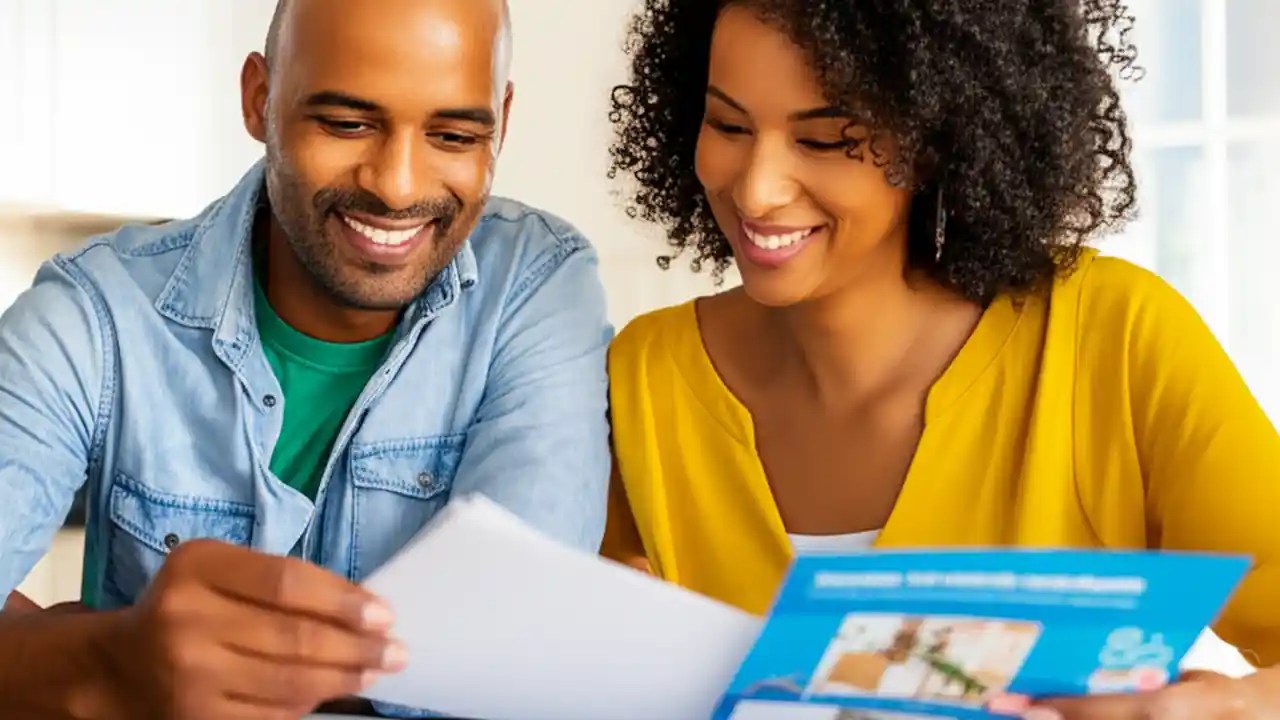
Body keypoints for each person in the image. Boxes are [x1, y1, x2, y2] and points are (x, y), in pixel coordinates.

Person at [601, 0, 1280, 717]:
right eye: (729, 126)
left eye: (828, 140)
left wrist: (1228, 707)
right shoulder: (646, 374)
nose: (756, 189)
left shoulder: (1109, 338)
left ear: (936, 136)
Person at [0, 0, 612, 717]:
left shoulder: (536, 285)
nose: (397, 185)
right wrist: (116, 659)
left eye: (452, 134)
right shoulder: (92, 315)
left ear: (501, 123)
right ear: (259, 99)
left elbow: (511, 657)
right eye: (347, 123)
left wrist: (54, 644)